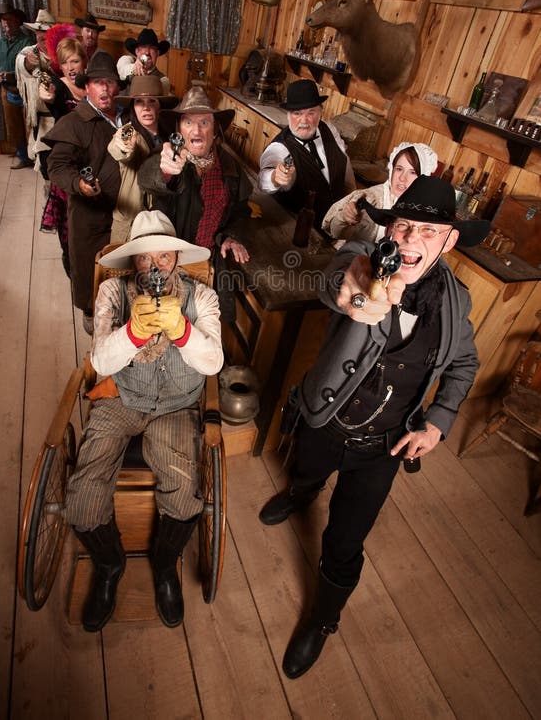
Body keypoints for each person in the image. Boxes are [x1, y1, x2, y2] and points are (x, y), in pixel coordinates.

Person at [258, 175, 490, 679]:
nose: (409, 239)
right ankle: (300, 494)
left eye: (428, 232)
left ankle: (323, 619)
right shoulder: (362, 257)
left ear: (450, 241)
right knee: (305, 471)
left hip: (383, 447)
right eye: (403, 226)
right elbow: (338, 280)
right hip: (327, 418)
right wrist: (354, 298)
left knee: (345, 541)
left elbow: (464, 364)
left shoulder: (457, 301)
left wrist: (438, 424)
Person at [65, 210, 224, 633]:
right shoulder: (113, 293)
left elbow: (213, 362)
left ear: (176, 258)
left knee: (185, 494)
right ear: (133, 261)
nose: (155, 267)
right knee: (81, 498)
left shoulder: (202, 297)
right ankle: (109, 564)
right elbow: (101, 362)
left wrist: (182, 330)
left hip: (176, 406)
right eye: (144, 258)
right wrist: (133, 333)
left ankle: (165, 563)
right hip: (123, 398)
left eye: (163, 257)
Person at [137, 85, 251, 297]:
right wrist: (165, 171)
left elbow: (241, 210)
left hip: (208, 264)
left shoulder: (231, 168)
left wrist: (231, 236)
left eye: (204, 122)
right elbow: (146, 178)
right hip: (167, 265)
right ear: (179, 130)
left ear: (215, 131)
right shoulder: (167, 157)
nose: (196, 131)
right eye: (188, 122)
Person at [42, 50, 124, 333]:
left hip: (127, 210)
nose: (105, 88)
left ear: (117, 87)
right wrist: (78, 184)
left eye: (110, 82)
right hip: (91, 213)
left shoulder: (128, 116)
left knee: (124, 266)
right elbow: (57, 165)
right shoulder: (75, 123)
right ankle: (92, 313)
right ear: (87, 86)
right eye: (99, 82)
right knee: (91, 267)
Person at [258, 78, 356, 230]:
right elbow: (263, 181)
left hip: (339, 224)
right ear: (288, 115)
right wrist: (275, 177)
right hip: (303, 229)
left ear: (320, 112)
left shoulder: (329, 130)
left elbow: (345, 164)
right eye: (297, 113)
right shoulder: (280, 148)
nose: (304, 120)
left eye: (311, 112)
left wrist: (353, 198)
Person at [38, 35, 88, 275]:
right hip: (67, 161)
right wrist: (47, 97)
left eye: (75, 61)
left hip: (90, 159)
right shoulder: (58, 86)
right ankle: (71, 264)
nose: (70, 67)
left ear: (84, 62)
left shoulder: (91, 85)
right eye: (65, 62)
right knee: (67, 220)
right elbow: (52, 99)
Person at [322, 141, 439, 244]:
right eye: (399, 169)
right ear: (392, 170)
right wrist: (344, 217)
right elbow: (336, 232)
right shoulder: (371, 198)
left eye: (412, 172)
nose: (402, 178)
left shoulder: (423, 208)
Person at [108, 75, 179, 242]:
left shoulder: (170, 135)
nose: (146, 108)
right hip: (131, 223)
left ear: (160, 105)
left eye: (152, 101)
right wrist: (123, 144)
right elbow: (117, 147)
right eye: (139, 101)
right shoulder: (130, 132)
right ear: (133, 106)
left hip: (162, 219)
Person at [0, 1, 35, 169]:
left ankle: (33, 157)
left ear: (17, 21)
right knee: (14, 126)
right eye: (3, 20)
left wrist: (10, 75)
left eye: (9, 19)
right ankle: (22, 157)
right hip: (7, 91)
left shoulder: (26, 42)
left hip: (24, 91)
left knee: (30, 125)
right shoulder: (0, 43)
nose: (6, 23)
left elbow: (30, 68)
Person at [14, 10, 57, 177]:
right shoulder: (29, 52)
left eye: (47, 35)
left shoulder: (62, 52)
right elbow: (21, 63)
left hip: (62, 116)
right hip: (42, 119)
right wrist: (28, 63)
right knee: (44, 161)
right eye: (40, 35)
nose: (44, 39)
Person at [116, 27, 172, 94]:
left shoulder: (163, 80)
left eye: (152, 48)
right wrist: (134, 68)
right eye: (144, 47)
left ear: (157, 53)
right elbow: (122, 70)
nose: (147, 52)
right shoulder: (126, 60)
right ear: (137, 51)